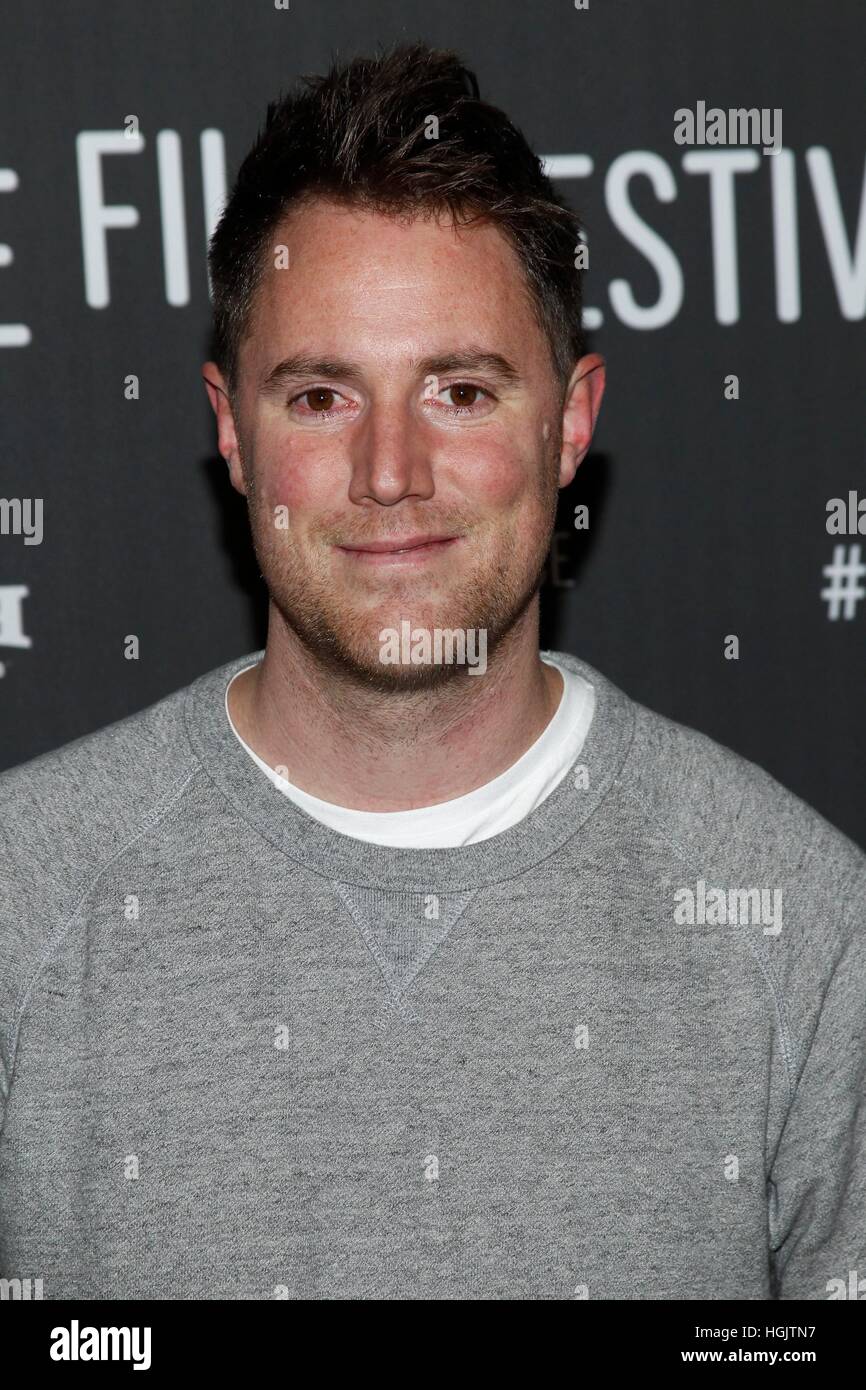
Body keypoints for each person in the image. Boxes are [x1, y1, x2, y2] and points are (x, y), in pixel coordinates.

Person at [1, 41, 863, 1302]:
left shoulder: (800, 923)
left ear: (569, 423)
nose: (389, 471)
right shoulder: (25, 899)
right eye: (320, 398)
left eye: (459, 391)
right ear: (229, 429)